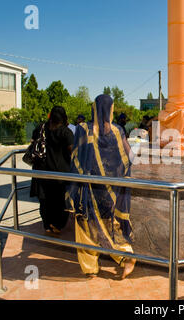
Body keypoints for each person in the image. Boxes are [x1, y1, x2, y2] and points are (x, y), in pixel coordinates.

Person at [66, 94, 136, 279]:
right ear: (111, 110)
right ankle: (126, 254)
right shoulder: (118, 130)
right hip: (110, 191)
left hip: (88, 190)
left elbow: (75, 156)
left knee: (85, 228)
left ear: (94, 108)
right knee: (110, 226)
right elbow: (129, 158)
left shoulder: (83, 129)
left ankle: (90, 268)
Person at [30, 106, 74, 234]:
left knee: (44, 200)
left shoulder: (40, 128)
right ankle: (57, 225)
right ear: (64, 117)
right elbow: (73, 151)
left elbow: (33, 143)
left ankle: (47, 225)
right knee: (60, 201)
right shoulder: (66, 132)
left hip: (41, 172)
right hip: (60, 174)